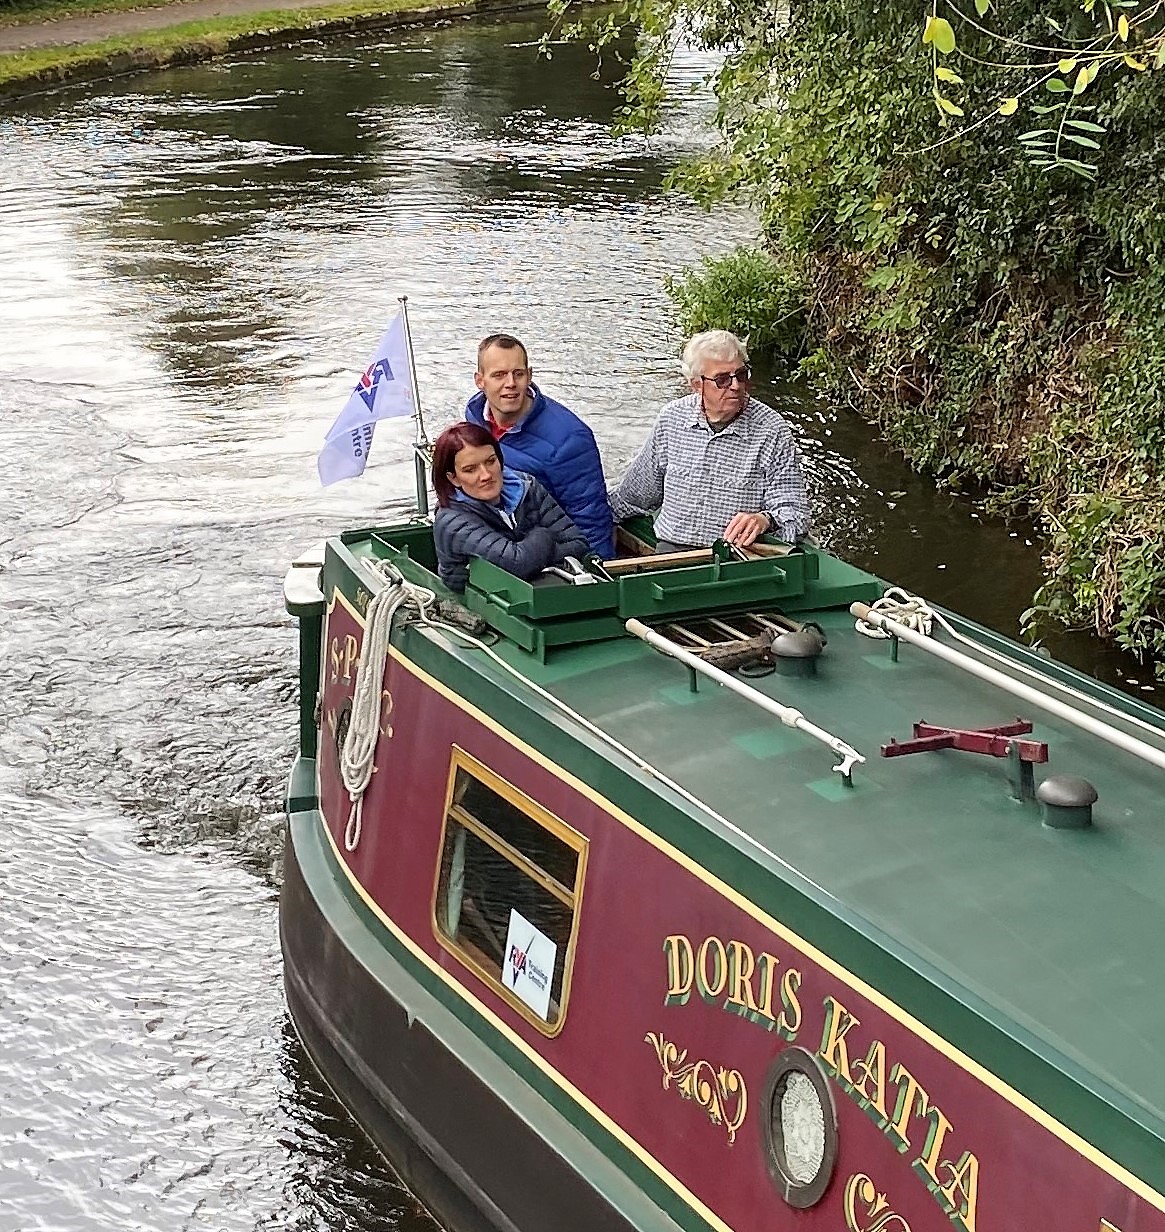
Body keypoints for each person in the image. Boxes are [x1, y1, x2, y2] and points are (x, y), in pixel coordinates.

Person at [609, 330, 811, 553]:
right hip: (672, 551)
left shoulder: (772, 429)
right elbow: (636, 495)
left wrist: (765, 519)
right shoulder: (672, 419)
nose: (736, 386)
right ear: (697, 384)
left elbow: (796, 513)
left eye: (741, 375)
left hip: (735, 556)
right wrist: (601, 519)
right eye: (722, 379)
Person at [465, 333, 615, 560]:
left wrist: (597, 569)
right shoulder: (474, 418)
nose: (510, 384)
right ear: (480, 381)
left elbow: (590, 517)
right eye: (499, 375)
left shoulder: (569, 439)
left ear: (529, 376)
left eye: (518, 374)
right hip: (494, 537)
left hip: (544, 552)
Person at [431, 422, 592, 594]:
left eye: (491, 461)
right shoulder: (452, 521)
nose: (486, 475)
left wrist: (534, 558)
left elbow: (578, 544)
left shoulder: (527, 486)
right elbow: (517, 564)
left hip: (541, 589)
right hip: (482, 599)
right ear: (453, 478)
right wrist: (544, 535)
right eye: (470, 470)